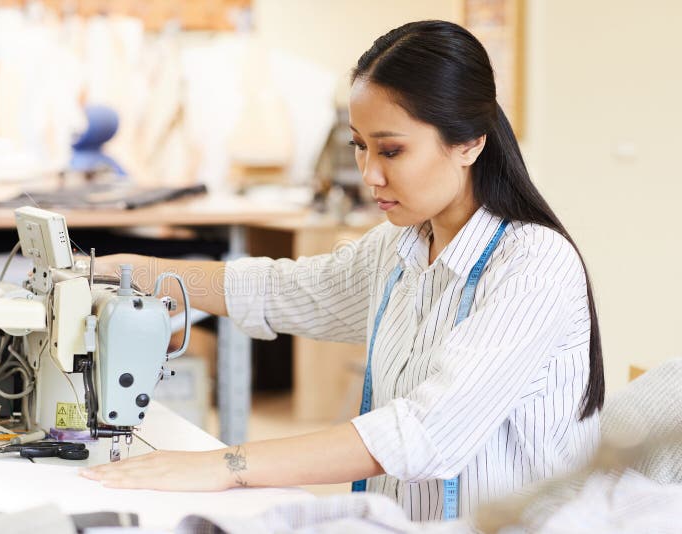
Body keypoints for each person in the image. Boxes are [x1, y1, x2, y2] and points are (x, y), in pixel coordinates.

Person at [80, 20, 604, 521]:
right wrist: (137, 270)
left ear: (469, 142)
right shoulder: (401, 248)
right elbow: (283, 290)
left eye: (392, 150)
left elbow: (423, 433)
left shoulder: (535, 266)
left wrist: (225, 466)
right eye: (360, 146)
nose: (369, 174)